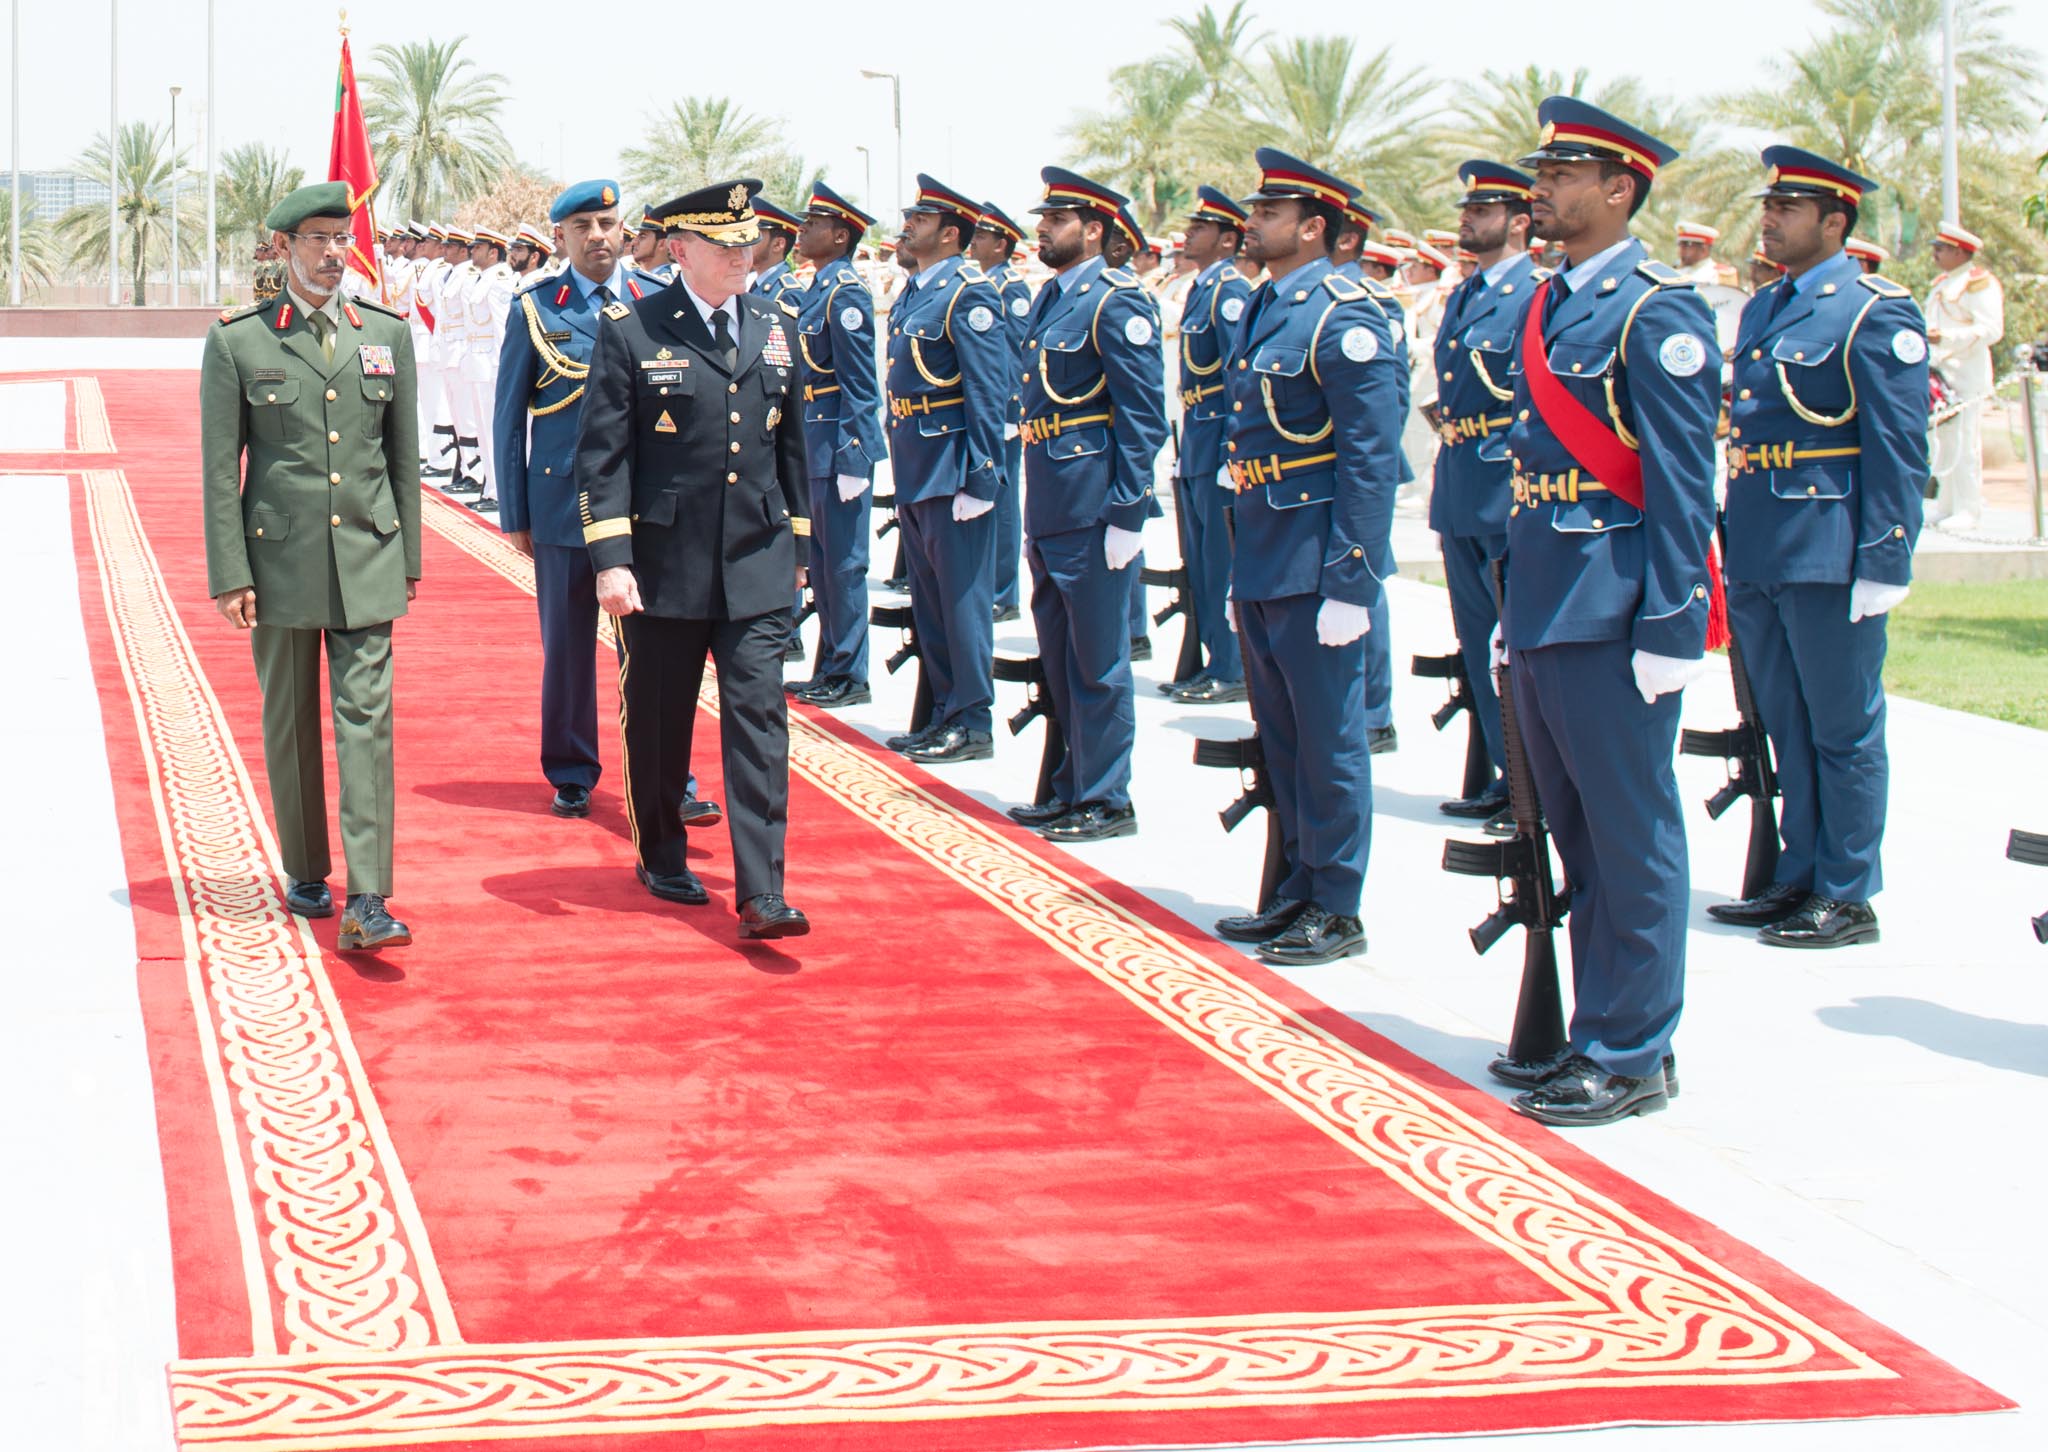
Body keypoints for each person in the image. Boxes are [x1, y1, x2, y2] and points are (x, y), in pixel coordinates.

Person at [1489, 97, 1720, 1127]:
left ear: (1618, 189)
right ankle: (1594, 1031)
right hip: (1546, 602)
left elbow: (1678, 482)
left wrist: (1672, 624)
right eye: (1541, 172)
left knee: (1629, 836)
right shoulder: (1548, 305)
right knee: (1576, 838)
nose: (1539, 190)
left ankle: (1632, 1047)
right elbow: (1530, 473)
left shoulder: (1653, 308)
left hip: (1616, 610)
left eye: (1562, 174)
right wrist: (1510, 604)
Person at [574, 178, 811, 938]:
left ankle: (761, 891)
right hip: (665, 566)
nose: (745, 254)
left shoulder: (778, 324)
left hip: (758, 558)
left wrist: (800, 549)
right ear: (681, 250)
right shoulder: (634, 330)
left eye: (749, 243)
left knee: (759, 721)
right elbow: (603, 459)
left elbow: (792, 446)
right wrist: (611, 558)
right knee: (658, 720)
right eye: (726, 244)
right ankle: (664, 852)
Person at [1708, 145, 1928, 948]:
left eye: (1788, 209)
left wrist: (1886, 558)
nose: (1769, 218)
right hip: (1764, 542)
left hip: (1830, 547)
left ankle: (1848, 890)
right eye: (1769, 206)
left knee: (1843, 726)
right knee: (1785, 724)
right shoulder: (1765, 308)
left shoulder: (1873, 310)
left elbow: (1899, 447)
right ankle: (1800, 874)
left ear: (1835, 222)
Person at [199, 181, 421, 952]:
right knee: (289, 721)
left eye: (342, 238)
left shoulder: (385, 335)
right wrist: (231, 572)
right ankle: (304, 865)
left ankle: (369, 896)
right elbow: (222, 470)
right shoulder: (239, 341)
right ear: (286, 247)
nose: (334, 253)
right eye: (318, 240)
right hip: (279, 561)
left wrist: (410, 559)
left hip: (367, 554)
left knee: (368, 722)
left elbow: (402, 457)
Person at [1206, 149, 1400, 965]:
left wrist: (1353, 577)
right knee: (1282, 738)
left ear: (1313, 228)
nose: (1253, 223)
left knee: (1329, 742)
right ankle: (1293, 889)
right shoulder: (1265, 307)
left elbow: (1370, 456)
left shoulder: (1343, 316)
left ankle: (1337, 903)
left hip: (1316, 559)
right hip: (1265, 554)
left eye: (1270, 213)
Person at [1007, 166, 1166, 841]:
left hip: (1095, 507)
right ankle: (1071, 786)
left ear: (1094, 230)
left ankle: (1106, 797)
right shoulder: (1052, 299)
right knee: (1062, 660)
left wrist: (1129, 513)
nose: (1041, 228)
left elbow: (1142, 416)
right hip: (1050, 504)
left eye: (1058, 220)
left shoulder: (1116, 301)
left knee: (1099, 663)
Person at [881, 174, 1011, 764]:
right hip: (917, 466)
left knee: (962, 607)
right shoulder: (914, 292)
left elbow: (988, 392)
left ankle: (972, 721)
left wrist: (982, 476)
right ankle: (940, 714)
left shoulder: (968, 293)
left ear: (951, 233)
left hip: (953, 469)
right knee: (930, 605)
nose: (908, 225)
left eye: (921, 219)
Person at [1429, 161, 1544, 827]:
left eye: (1484, 211)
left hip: (1507, 490)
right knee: (1479, 648)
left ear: (1520, 222)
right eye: (1467, 209)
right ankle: (1507, 776)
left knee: (1516, 651)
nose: (1467, 220)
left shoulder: (1534, 294)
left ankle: (1534, 788)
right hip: (1463, 485)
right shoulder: (1467, 294)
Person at [788, 181, 887, 709]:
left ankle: (850, 672)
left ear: (840, 234)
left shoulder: (846, 292)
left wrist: (855, 456)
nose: (802, 231)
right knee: (822, 565)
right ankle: (829, 664)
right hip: (814, 442)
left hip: (837, 445)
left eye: (813, 224)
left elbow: (858, 383)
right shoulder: (819, 288)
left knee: (845, 566)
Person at [1164, 186, 1254, 706]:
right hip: (1198, 438)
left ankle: (1230, 666)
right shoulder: (1201, 289)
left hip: (1218, 441)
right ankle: (1211, 660)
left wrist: (1230, 453)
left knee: (1220, 564)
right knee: (1200, 563)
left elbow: (1237, 377)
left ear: (1226, 240)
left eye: (1200, 228)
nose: (1188, 234)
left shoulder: (1229, 292)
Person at [1331, 191, 1405, 753]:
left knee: (1362, 581)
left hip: (1349, 467)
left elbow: (1388, 399)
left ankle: (1374, 712)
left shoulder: (1366, 301)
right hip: (1312, 470)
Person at [966, 200, 1034, 624]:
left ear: (1002, 243)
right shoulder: (981, 282)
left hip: (1005, 414)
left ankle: (1005, 592)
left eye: (983, 236)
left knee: (1005, 504)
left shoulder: (1011, 287)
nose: (975, 242)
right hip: (990, 412)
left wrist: (1011, 411)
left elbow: (1014, 354)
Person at [1924, 220, 2004, 531]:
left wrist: (1945, 338)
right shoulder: (1942, 283)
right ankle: (1947, 504)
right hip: (1941, 373)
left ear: (1959, 252)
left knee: (1966, 443)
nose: (1936, 254)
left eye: (1941, 249)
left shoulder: (1979, 284)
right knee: (1944, 442)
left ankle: (1968, 509)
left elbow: (1991, 330)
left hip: (1967, 373)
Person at [464, 227, 517, 508]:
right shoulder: (480, 279)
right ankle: (489, 488)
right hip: (476, 362)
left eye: (478, 247)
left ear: (493, 252)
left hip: (492, 365)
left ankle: (499, 492)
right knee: (484, 432)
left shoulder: (499, 280)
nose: (472, 251)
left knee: (494, 432)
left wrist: (505, 371)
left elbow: (502, 328)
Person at [435, 228, 481, 491]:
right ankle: (464, 468)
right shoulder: (450, 275)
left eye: (450, 247)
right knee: (459, 416)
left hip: (464, 354)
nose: (445, 250)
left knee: (469, 418)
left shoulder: (469, 277)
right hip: (448, 353)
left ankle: (475, 473)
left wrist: (467, 356)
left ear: (463, 251)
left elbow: (471, 321)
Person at [749, 198, 806, 305]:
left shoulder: (789, 293)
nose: (746, 241)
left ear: (778, 244)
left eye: (754, 236)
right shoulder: (758, 283)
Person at [1674, 221, 1740, 287]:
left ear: (1703, 249)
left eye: (1687, 245)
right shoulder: (1677, 272)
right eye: (1680, 245)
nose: (1681, 250)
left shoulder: (1720, 275)